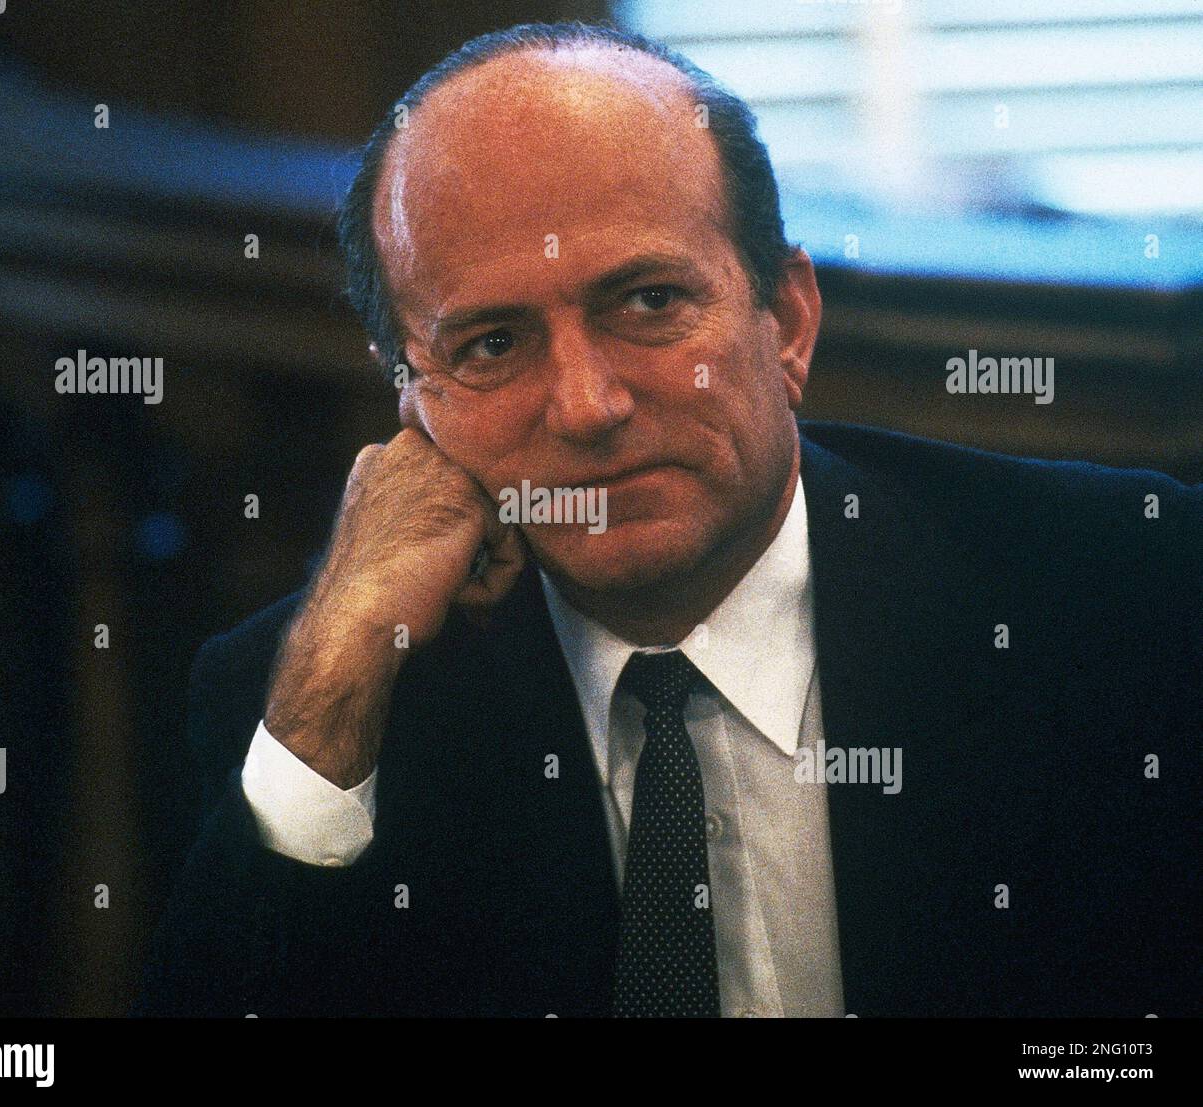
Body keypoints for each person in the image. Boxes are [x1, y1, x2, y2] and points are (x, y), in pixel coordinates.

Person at [136, 22, 1200, 1018]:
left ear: (785, 322)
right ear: (418, 408)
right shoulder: (331, 701)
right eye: (492, 345)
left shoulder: (1122, 593)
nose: (588, 406)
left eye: (647, 303)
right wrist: (335, 676)